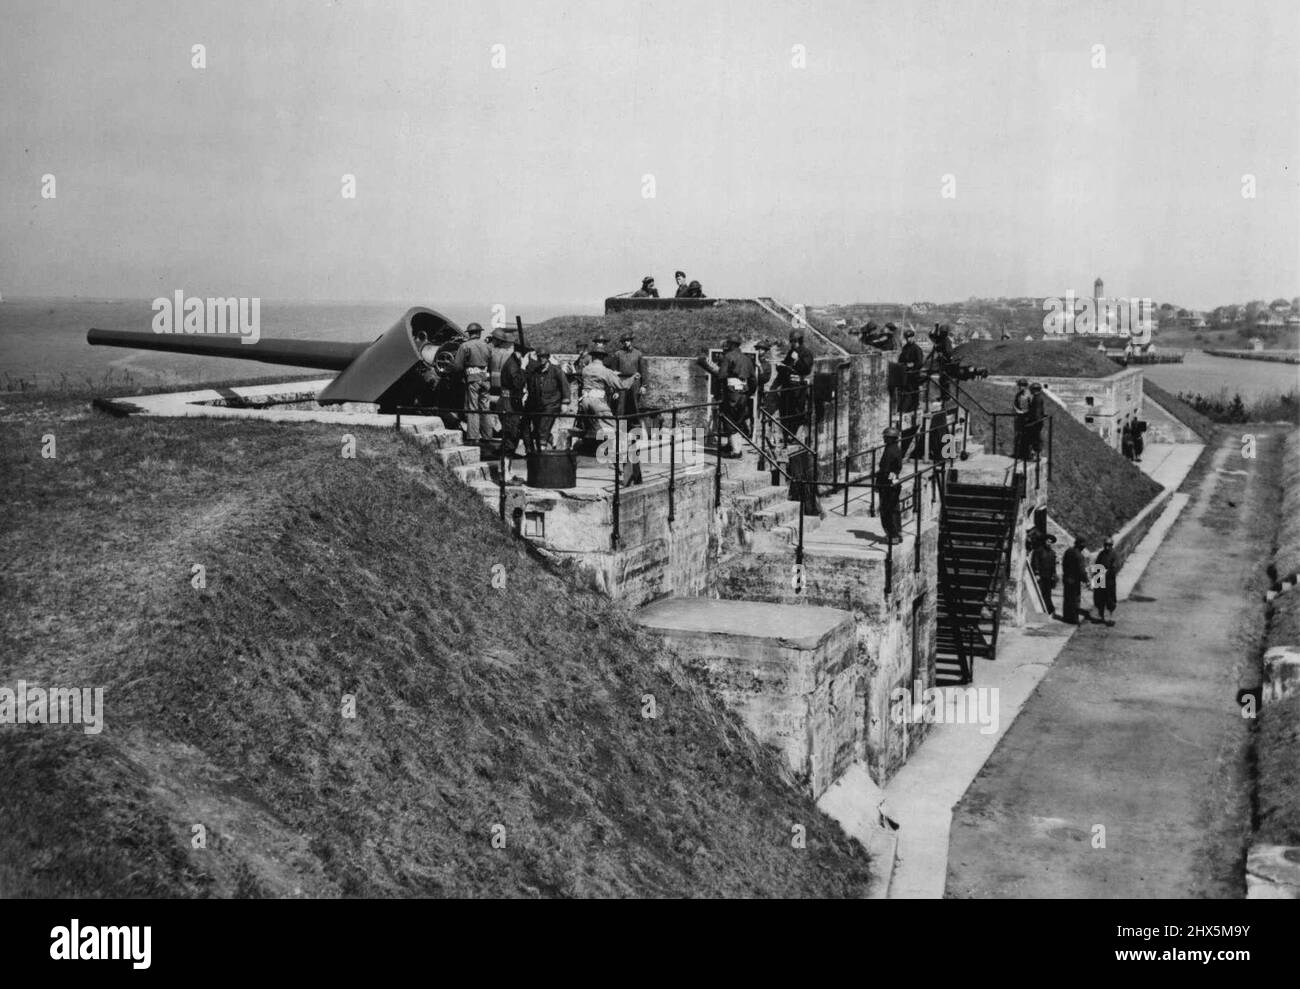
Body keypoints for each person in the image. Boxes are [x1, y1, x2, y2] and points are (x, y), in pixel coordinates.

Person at [579, 345, 638, 483]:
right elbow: (622, 386)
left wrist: (611, 374)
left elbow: (597, 378)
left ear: (593, 356)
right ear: (603, 358)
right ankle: (618, 464)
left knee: (601, 429)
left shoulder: (586, 369)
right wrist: (633, 377)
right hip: (597, 402)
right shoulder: (605, 371)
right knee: (617, 431)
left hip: (585, 401)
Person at [696, 333, 755, 458]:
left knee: (729, 420)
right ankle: (730, 445)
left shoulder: (727, 357)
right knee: (738, 420)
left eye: (728, 343)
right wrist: (748, 393)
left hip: (730, 393)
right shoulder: (747, 359)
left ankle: (736, 451)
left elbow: (721, 376)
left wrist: (712, 368)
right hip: (743, 394)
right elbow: (753, 380)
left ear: (731, 344)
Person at [452, 322, 492, 444]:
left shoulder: (465, 346)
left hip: (472, 380)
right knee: (485, 408)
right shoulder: (487, 346)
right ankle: (487, 437)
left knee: (472, 408)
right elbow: (491, 363)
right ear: (479, 333)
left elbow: (457, 366)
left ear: (469, 333)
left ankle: (473, 437)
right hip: (485, 380)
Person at [524, 348, 569, 452]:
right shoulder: (536, 372)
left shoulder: (556, 370)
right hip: (539, 404)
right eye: (540, 357)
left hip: (552, 404)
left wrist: (565, 402)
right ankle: (550, 441)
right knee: (538, 428)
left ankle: (542, 452)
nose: (542, 359)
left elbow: (565, 386)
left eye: (544, 357)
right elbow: (532, 388)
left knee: (543, 428)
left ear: (548, 358)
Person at [497, 340, 529, 480]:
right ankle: (504, 473)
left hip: (512, 403)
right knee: (510, 437)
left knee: (514, 437)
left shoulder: (514, 363)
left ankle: (508, 471)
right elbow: (518, 383)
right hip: (508, 404)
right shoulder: (513, 365)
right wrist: (523, 367)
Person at [779, 328, 814, 442]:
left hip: (798, 386)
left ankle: (796, 435)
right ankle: (790, 434)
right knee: (788, 410)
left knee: (798, 410)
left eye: (794, 341)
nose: (792, 344)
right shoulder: (791, 352)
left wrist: (797, 360)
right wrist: (781, 366)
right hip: (789, 386)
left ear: (799, 340)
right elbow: (786, 364)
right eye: (792, 341)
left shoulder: (806, 352)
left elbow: (806, 368)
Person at [607, 331, 648, 420]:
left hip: (635, 382)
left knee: (635, 405)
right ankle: (621, 429)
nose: (626, 342)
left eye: (628, 340)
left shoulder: (638, 354)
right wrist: (614, 389)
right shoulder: (618, 354)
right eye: (624, 341)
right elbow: (613, 372)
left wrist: (644, 385)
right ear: (622, 342)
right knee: (620, 406)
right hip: (621, 382)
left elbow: (643, 371)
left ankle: (636, 428)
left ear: (631, 341)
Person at [876, 426, 904, 544]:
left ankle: (893, 536)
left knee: (887, 509)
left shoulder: (890, 451)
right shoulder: (895, 448)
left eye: (886, 437)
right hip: (894, 482)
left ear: (891, 438)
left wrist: (880, 484)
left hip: (888, 484)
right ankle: (897, 533)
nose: (884, 439)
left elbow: (885, 470)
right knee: (894, 508)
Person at [1091, 537, 1120, 625]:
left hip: (1109, 581)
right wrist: (1094, 580)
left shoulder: (1114, 554)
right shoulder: (1101, 554)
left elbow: (1114, 568)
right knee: (1099, 598)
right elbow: (1097, 565)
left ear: (1112, 545)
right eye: (1106, 545)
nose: (1107, 547)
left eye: (1109, 545)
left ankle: (1110, 617)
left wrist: (1107, 572)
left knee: (1110, 599)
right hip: (1100, 579)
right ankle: (1101, 616)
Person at [897, 326, 925, 414]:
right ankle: (905, 409)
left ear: (913, 337)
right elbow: (901, 359)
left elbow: (920, 363)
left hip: (914, 375)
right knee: (905, 392)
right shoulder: (905, 348)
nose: (909, 339)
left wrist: (912, 366)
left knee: (912, 393)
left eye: (910, 337)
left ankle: (911, 409)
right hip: (906, 374)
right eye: (907, 338)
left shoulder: (916, 349)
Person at [1031, 533, 1058, 617]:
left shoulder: (1052, 553)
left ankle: (1049, 610)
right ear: (1044, 541)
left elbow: (1053, 565)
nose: (1049, 543)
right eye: (1048, 541)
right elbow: (1035, 563)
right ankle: (1043, 610)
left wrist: (1054, 575)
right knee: (1041, 593)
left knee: (1048, 593)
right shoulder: (1038, 551)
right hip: (1041, 576)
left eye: (1051, 542)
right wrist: (1036, 573)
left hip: (1049, 576)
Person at [1061, 536, 1087, 624]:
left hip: (1067, 579)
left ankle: (1066, 617)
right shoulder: (1079, 556)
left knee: (1067, 599)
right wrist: (1086, 580)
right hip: (1075, 581)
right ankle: (1073, 619)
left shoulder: (1068, 551)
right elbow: (1081, 570)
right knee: (1075, 600)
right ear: (1080, 545)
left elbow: (1063, 564)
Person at [1012, 378, 1031, 459]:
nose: (1020, 387)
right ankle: (1018, 454)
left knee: (1026, 436)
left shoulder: (1029, 395)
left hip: (1027, 418)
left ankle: (1027, 454)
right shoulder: (1018, 395)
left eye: (1022, 386)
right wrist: (1017, 410)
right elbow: (1014, 404)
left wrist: (1025, 412)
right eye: (1019, 385)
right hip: (1019, 418)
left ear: (1025, 386)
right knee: (1018, 435)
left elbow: (1031, 407)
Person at [1027, 382, 1046, 458]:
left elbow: (1037, 411)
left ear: (1035, 390)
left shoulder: (1037, 398)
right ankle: (1036, 453)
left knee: (1036, 437)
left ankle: (1036, 454)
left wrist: (1035, 422)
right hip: (1037, 421)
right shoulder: (1038, 397)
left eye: (1031, 389)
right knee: (1036, 437)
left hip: (1036, 422)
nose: (1030, 391)